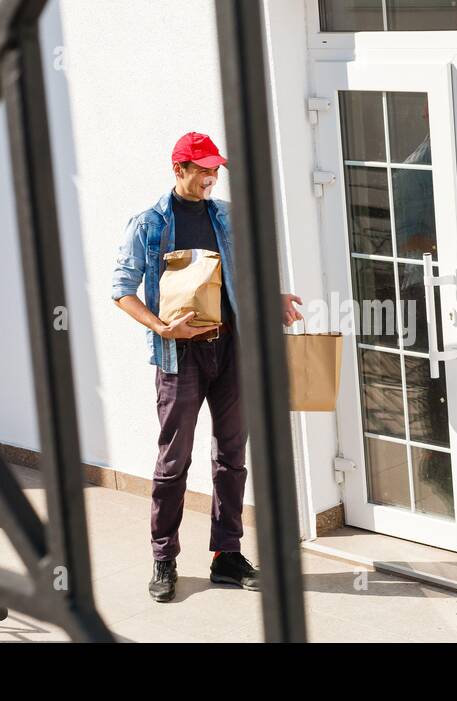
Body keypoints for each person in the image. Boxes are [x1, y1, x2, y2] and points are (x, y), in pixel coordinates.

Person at [110, 131, 304, 603]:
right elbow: (121, 288)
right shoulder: (149, 224)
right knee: (173, 463)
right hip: (180, 357)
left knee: (231, 455)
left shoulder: (226, 217)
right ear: (179, 169)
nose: (211, 178)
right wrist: (161, 327)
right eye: (203, 170)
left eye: (215, 169)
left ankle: (226, 555)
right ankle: (164, 557)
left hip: (231, 348)